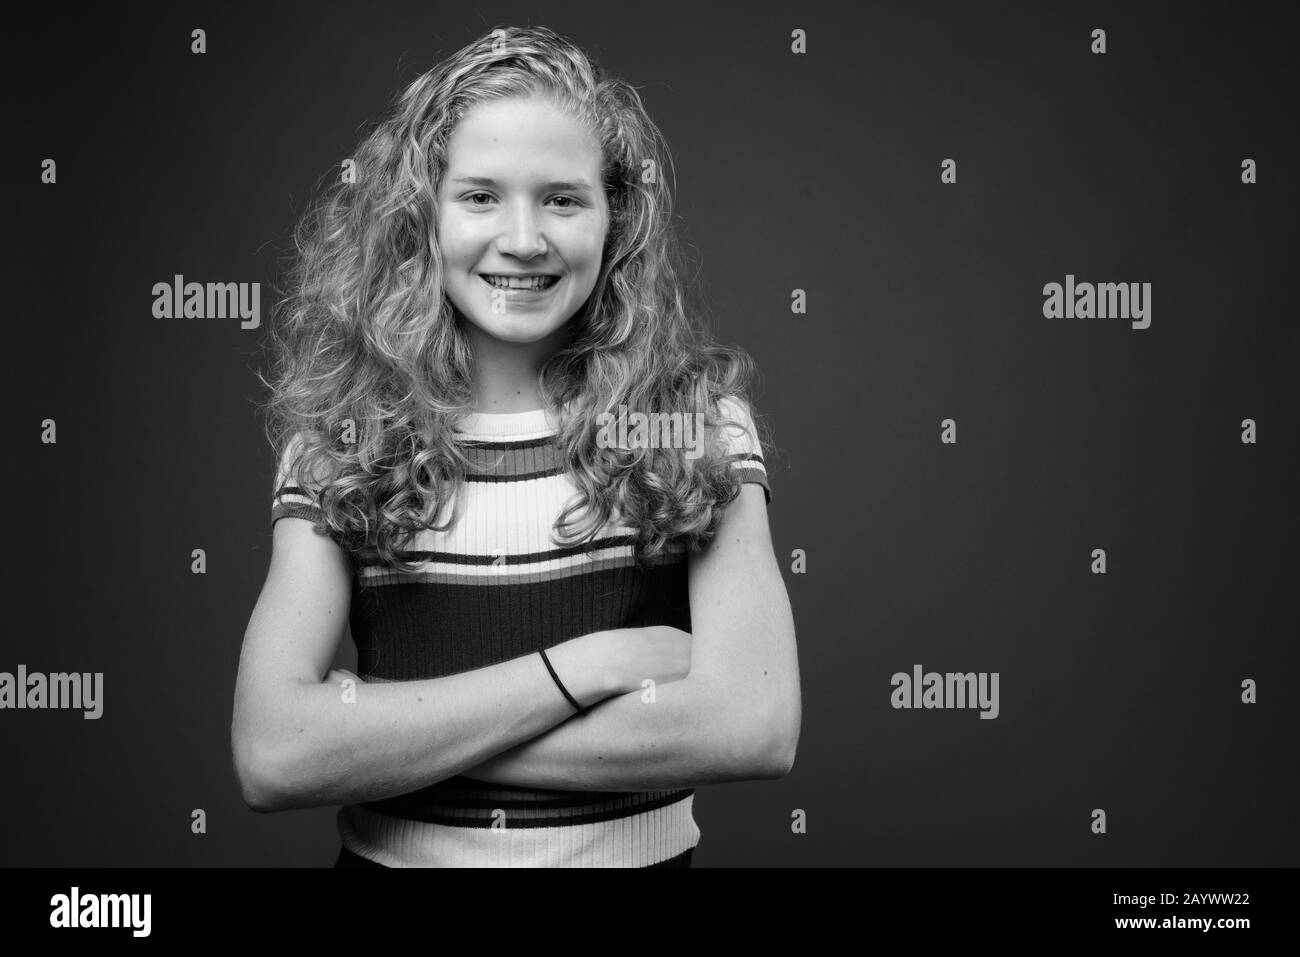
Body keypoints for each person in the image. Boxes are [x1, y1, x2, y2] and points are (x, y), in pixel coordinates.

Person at [231, 23, 800, 868]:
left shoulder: (695, 425)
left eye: (563, 198)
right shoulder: (342, 441)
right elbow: (274, 753)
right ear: (421, 212)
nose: (525, 238)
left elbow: (755, 726)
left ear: (618, 218)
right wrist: (588, 667)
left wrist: (392, 730)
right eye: (481, 196)